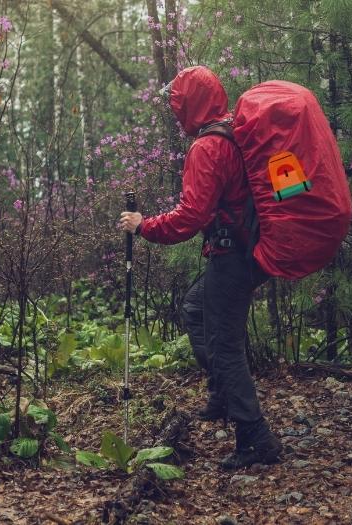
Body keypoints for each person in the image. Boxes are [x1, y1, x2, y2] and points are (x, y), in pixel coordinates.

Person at [117, 66, 281, 469]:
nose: (175, 113)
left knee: (226, 347)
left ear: (189, 104)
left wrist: (144, 227)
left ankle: (256, 438)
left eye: (177, 103)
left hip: (231, 257)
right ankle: (223, 396)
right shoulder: (233, 131)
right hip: (246, 252)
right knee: (194, 308)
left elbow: (191, 216)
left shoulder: (208, 147)